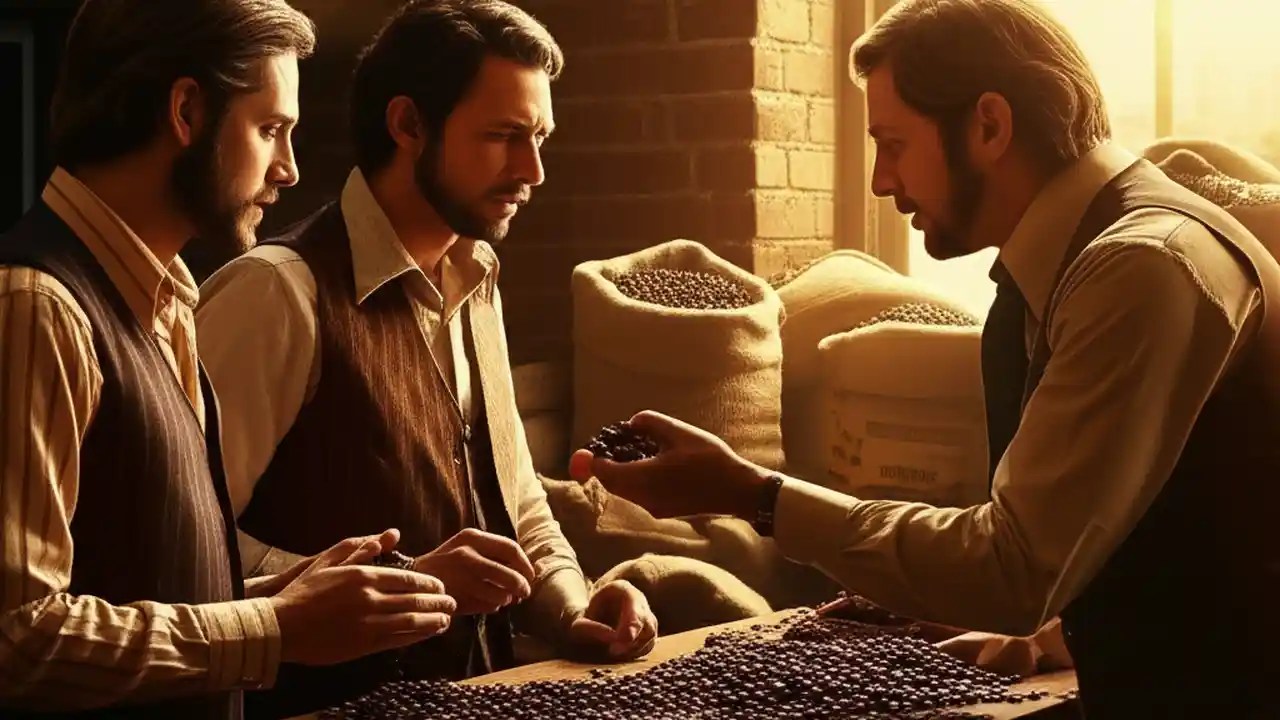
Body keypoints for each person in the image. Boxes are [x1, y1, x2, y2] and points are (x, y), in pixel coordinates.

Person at [569, 0, 1280, 717]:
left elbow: (1014, 567)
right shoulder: (1077, 264)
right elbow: (1149, 524)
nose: (881, 181)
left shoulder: (1140, 266)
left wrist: (755, 494)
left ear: (989, 126)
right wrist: (1045, 636)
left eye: (894, 144)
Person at [0, 1, 460, 717]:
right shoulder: (38, 307)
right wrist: (274, 629)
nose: (290, 169)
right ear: (186, 111)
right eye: (270, 129)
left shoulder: (166, 303)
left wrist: (287, 598)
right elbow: (17, 639)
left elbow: (134, 585)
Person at [196, 1, 657, 715]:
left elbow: (516, 504)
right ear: (408, 125)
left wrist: (574, 607)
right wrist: (406, 582)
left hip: (480, 699)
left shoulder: (478, 279)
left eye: (539, 138)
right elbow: (189, 550)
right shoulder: (274, 295)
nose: (533, 170)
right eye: (503, 136)